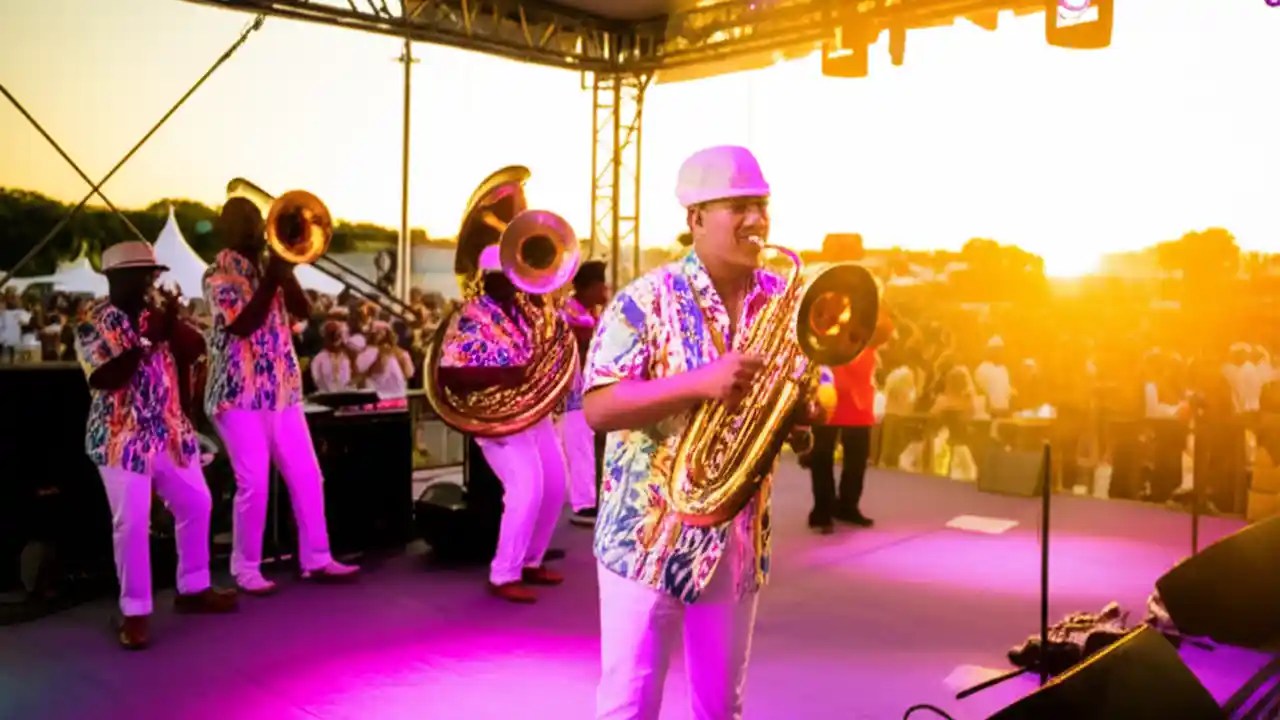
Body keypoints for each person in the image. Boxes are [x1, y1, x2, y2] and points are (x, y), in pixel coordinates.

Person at [584, 145, 809, 720]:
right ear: (696, 218)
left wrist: (802, 410)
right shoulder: (642, 300)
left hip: (735, 541)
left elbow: (795, 393)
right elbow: (600, 408)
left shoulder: (783, 299)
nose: (756, 219)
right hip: (645, 540)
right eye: (739, 206)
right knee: (628, 707)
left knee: (721, 710)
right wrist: (700, 383)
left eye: (761, 204)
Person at [75, 241, 238, 649]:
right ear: (115, 279)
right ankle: (135, 612)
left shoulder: (157, 314)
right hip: (119, 437)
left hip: (168, 432)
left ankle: (194, 588)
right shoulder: (94, 320)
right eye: (139, 275)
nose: (148, 281)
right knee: (132, 523)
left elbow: (195, 348)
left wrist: (172, 323)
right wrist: (145, 339)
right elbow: (106, 377)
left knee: (196, 503)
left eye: (150, 273)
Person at [203, 198, 359, 595]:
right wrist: (273, 276)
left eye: (257, 220)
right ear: (226, 230)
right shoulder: (218, 274)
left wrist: (285, 270)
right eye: (245, 222)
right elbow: (243, 325)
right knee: (254, 482)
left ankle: (317, 557)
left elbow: (304, 311)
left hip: (282, 392)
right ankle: (246, 568)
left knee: (308, 475)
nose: (255, 228)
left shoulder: (269, 268)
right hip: (238, 395)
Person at [437, 243, 569, 603]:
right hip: (496, 418)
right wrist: (503, 375)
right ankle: (504, 573)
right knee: (526, 489)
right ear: (490, 278)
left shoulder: (525, 312)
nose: (516, 283)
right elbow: (449, 375)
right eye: (508, 277)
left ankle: (530, 560)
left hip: (532, 414)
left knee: (556, 486)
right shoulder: (472, 316)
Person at [807, 306, 893, 533]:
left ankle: (847, 505)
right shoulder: (828, 324)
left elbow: (886, 327)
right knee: (822, 457)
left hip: (858, 406)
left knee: (856, 460)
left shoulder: (868, 327)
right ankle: (822, 510)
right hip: (829, 400)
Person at [560, 260, 610, 527]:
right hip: (575, 391)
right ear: (591, 287)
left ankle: (595, 498)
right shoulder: (570, 314)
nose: (606, 289)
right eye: (602, 285)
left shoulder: (590, 312)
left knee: (594, 446)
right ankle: (584, 503)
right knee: (581, 445)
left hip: (591, 389)